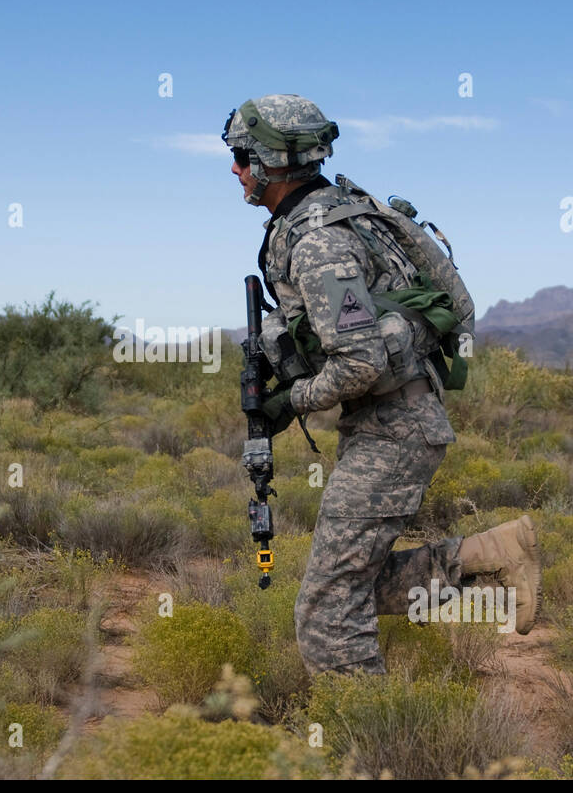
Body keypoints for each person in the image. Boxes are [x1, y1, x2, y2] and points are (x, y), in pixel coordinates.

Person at [223, 94, 543, 675]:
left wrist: (287, 401)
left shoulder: (319, 242)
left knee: (326, 616)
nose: (236, 169)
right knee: (344, 590)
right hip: (392, 423)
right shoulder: (332, 214)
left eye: (243, 156)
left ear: (272, 160)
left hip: (394, 431)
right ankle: (493, 557)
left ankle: (367, 750)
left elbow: (361, 363)